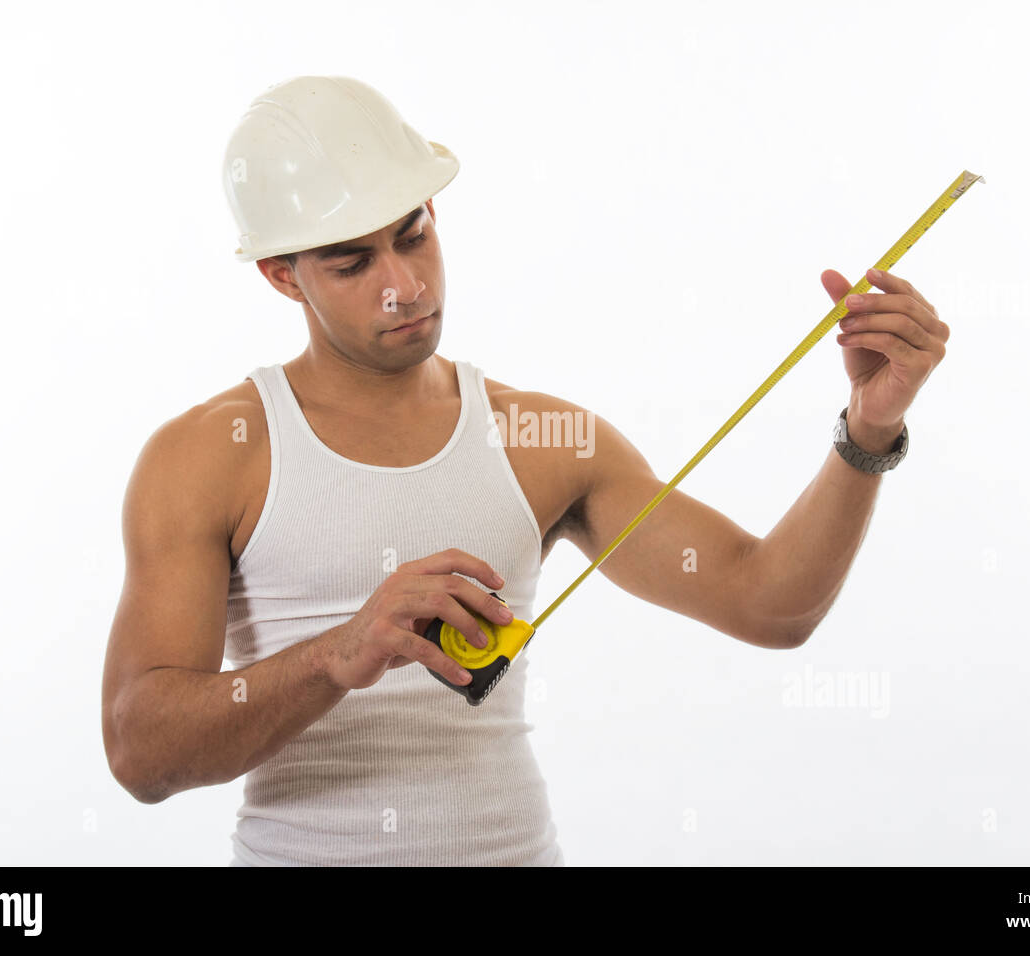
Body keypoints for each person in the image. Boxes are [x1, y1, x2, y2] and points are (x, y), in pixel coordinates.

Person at [100, 76, 950, 867]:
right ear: (282, 275)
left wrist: (869, 432)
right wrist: (339, 653)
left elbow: (770, 604)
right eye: (353, 263)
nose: (402, 286)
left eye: (413, 236)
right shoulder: (211, 454)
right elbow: (141, 754)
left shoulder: (542, 438)